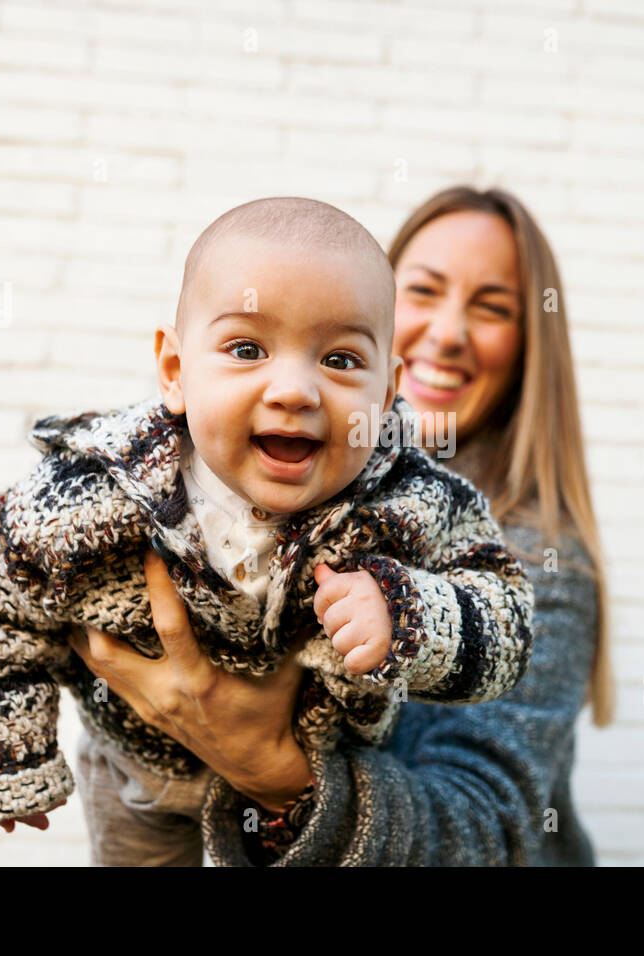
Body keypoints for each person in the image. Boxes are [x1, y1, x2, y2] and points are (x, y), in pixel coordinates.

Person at [0, 197, 536, 865]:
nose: (295, 389)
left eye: (339, 360)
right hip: (142, 781)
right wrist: (3, 747)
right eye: (247, 349)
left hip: (312, 793)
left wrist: (409, 613)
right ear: (175, 372)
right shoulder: (98, 490)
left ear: (389, 392)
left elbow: (505, 615)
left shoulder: (410, 499)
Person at [68, 186, 614, 865]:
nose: (447, 332)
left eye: (492, 307)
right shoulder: (240, 496)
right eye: (424, 290)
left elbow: (489, 833)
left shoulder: (534, 559)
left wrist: (273, 775)